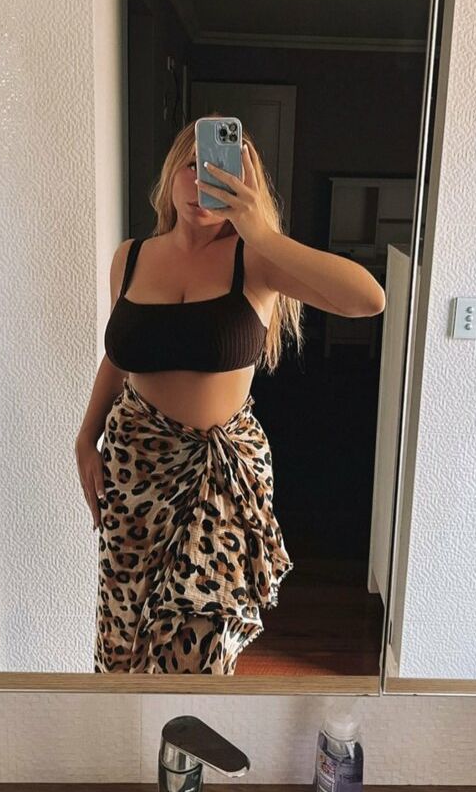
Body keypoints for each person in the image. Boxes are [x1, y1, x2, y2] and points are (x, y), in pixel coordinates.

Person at [75, 114, 385, 674]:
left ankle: (193, 734)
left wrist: (261, 233)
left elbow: (367, 299)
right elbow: (121, 354)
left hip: (217, 480)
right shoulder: (131, 256)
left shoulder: (257, 258)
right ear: (172, 173)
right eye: (193, 165)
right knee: (124, 632)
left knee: (202, 647)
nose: (204, 181)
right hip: (135, 470)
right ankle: (129, 732)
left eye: (223, 170)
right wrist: (84, 439)